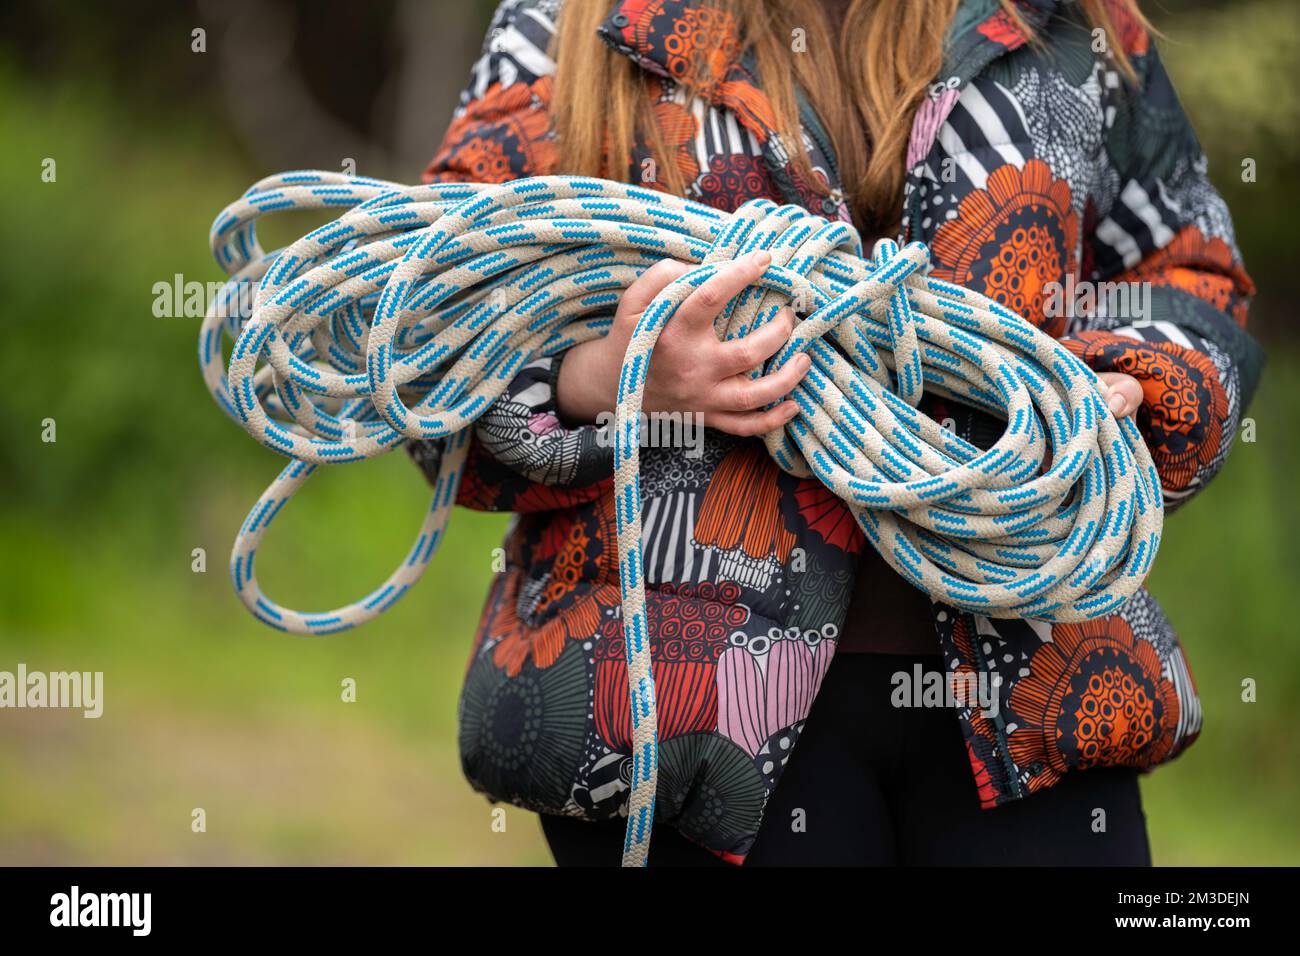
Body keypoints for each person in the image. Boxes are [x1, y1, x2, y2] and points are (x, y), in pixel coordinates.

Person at [407, 0, 1260, 865]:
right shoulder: (561, 27)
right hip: (674, 711)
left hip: (1042, 689)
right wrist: (618, 376)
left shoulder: (1068, 18)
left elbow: (1187, 269)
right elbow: (428, 333)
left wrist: (1138, 385)